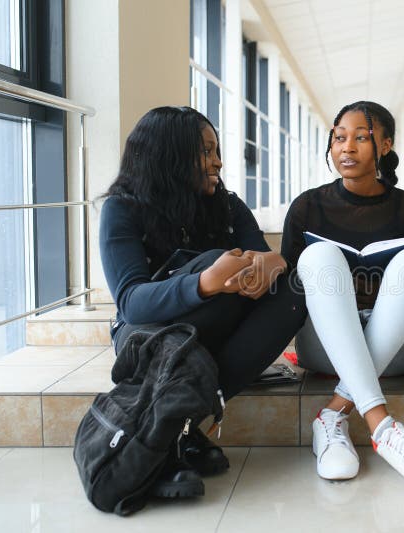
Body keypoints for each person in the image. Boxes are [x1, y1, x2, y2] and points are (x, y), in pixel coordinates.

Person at [99, 106, 307, 498]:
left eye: (217, 150)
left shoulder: (226, 204)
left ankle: (183, 424)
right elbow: (131, 302)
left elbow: (264, 257)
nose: (219, 162)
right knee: (217, 261)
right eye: (207, 151)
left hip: (213, 332)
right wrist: (205, 282)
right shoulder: (121, 208)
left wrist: (273, 262)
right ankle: (167, 433)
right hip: (146, 337)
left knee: (293, 288)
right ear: (172, 155)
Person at [281, 101, 404, 489]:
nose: (347, 147)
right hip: (323, 345)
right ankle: (383, 427)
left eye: (361, 138)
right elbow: (288, 290)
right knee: (320, 256)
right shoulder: (307, 205)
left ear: (385, 146)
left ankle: (332, 414)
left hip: (395, 350)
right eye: (339, 138)